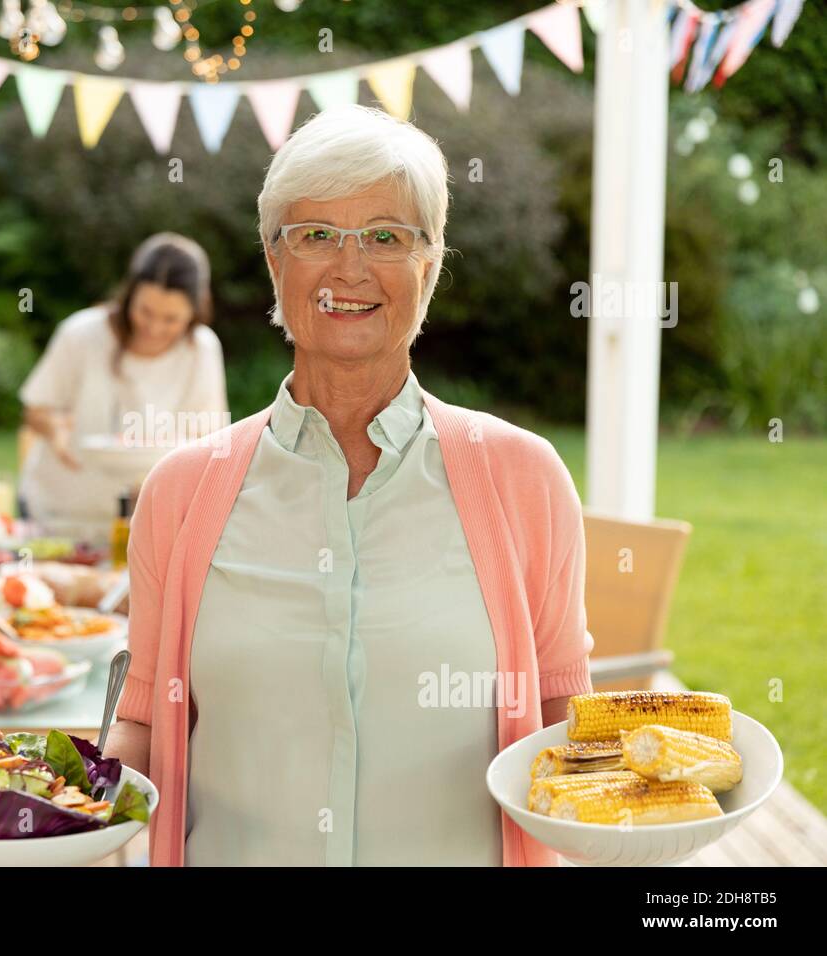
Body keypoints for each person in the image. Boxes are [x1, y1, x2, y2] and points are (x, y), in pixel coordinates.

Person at [104, 106, 595, 867]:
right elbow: (142, 719)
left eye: (386, 236)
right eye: (317, 236)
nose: (350, 268)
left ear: (429, 263)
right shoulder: (180, 494)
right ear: (275, 262)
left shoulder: (524, 479)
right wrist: (72, 809)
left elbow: (563, 709)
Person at [18, 233, 228, 538]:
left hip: (145, 523)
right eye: (145, 311)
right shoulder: (81, 334)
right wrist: (55, 428)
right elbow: (34, 411)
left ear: (194, 311)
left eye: (170, 319)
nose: (154, 328)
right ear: (130, 295)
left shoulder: (202, 350)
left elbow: (210, 440)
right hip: (60, 514)